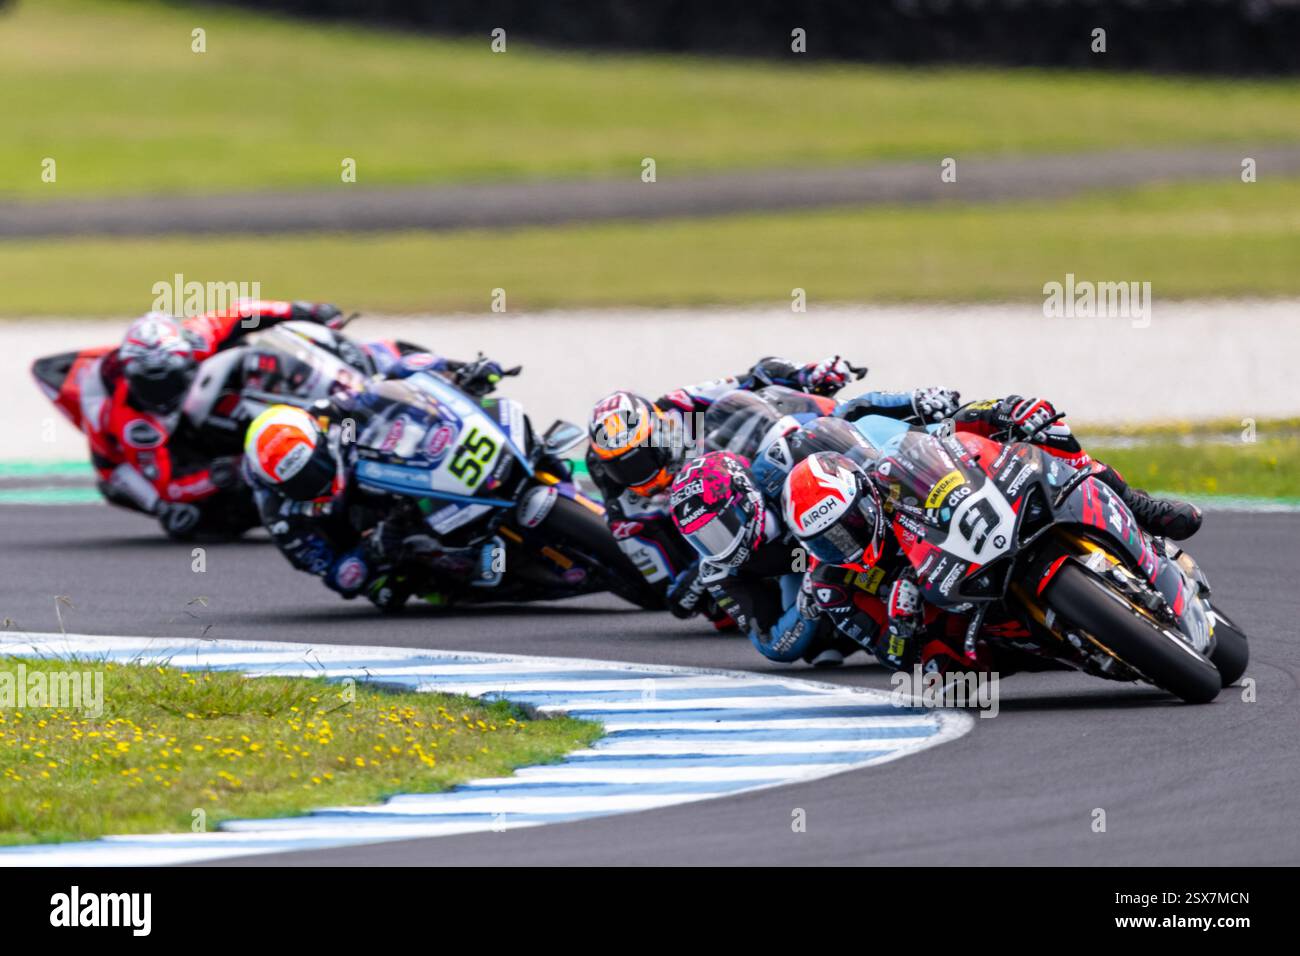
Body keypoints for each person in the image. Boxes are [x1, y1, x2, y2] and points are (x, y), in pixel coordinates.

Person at [584, 356, 873, 622]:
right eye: (622, 467)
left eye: (642, 454)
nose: (638, 471)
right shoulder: (624, 510)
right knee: (741, 610)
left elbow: (757, 375)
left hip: (754, 480)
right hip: (723, 552)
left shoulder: (679, 406)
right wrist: (713, 556)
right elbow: (676, 597)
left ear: (656, 426)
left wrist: (808, 374)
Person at [243, 350, 515, 610]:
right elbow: (342, 577)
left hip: (399, 466)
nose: (317, 482)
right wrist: (374, 546)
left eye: (317, 465)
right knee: (386, 591)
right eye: (300, 483)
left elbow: (384, 386)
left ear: (319, 436)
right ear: (275, 485)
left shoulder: (329, 414)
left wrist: (457, 373)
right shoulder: (282, 521)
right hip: (376, 532)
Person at [76, 300, 344, 537]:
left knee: (246, 346)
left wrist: (300, 310)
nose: (160, 393)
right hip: (122, 468)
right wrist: (217, 474)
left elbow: (242, 311)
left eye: (170, 379)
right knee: (187, 517)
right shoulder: (135, 424)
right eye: (150, 384)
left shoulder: (195, 340)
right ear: (131, 378)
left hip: (196, 400)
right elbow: (169, 488)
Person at [668, 451, 857, 665]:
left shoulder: (781, 464)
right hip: (802, 568)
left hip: (852, 529)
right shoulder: (717, 570)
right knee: (816, 644)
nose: (720, 546)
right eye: (704, 538)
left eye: (723, 527)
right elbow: (771, 644)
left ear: (745, 497)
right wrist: (807, 599)